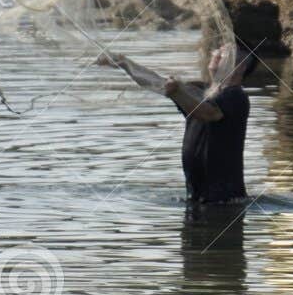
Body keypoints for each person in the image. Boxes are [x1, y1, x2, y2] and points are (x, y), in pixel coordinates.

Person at [99, 42, 259, 206]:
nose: (215, 52)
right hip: (198, 199)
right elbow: (156, 82)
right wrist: (124, 63)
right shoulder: (201, 91)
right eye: (217, 50)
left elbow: (208, 113)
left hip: (225, 202)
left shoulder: (236, 96)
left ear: (239, 66)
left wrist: (177, 92)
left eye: (223, 54)